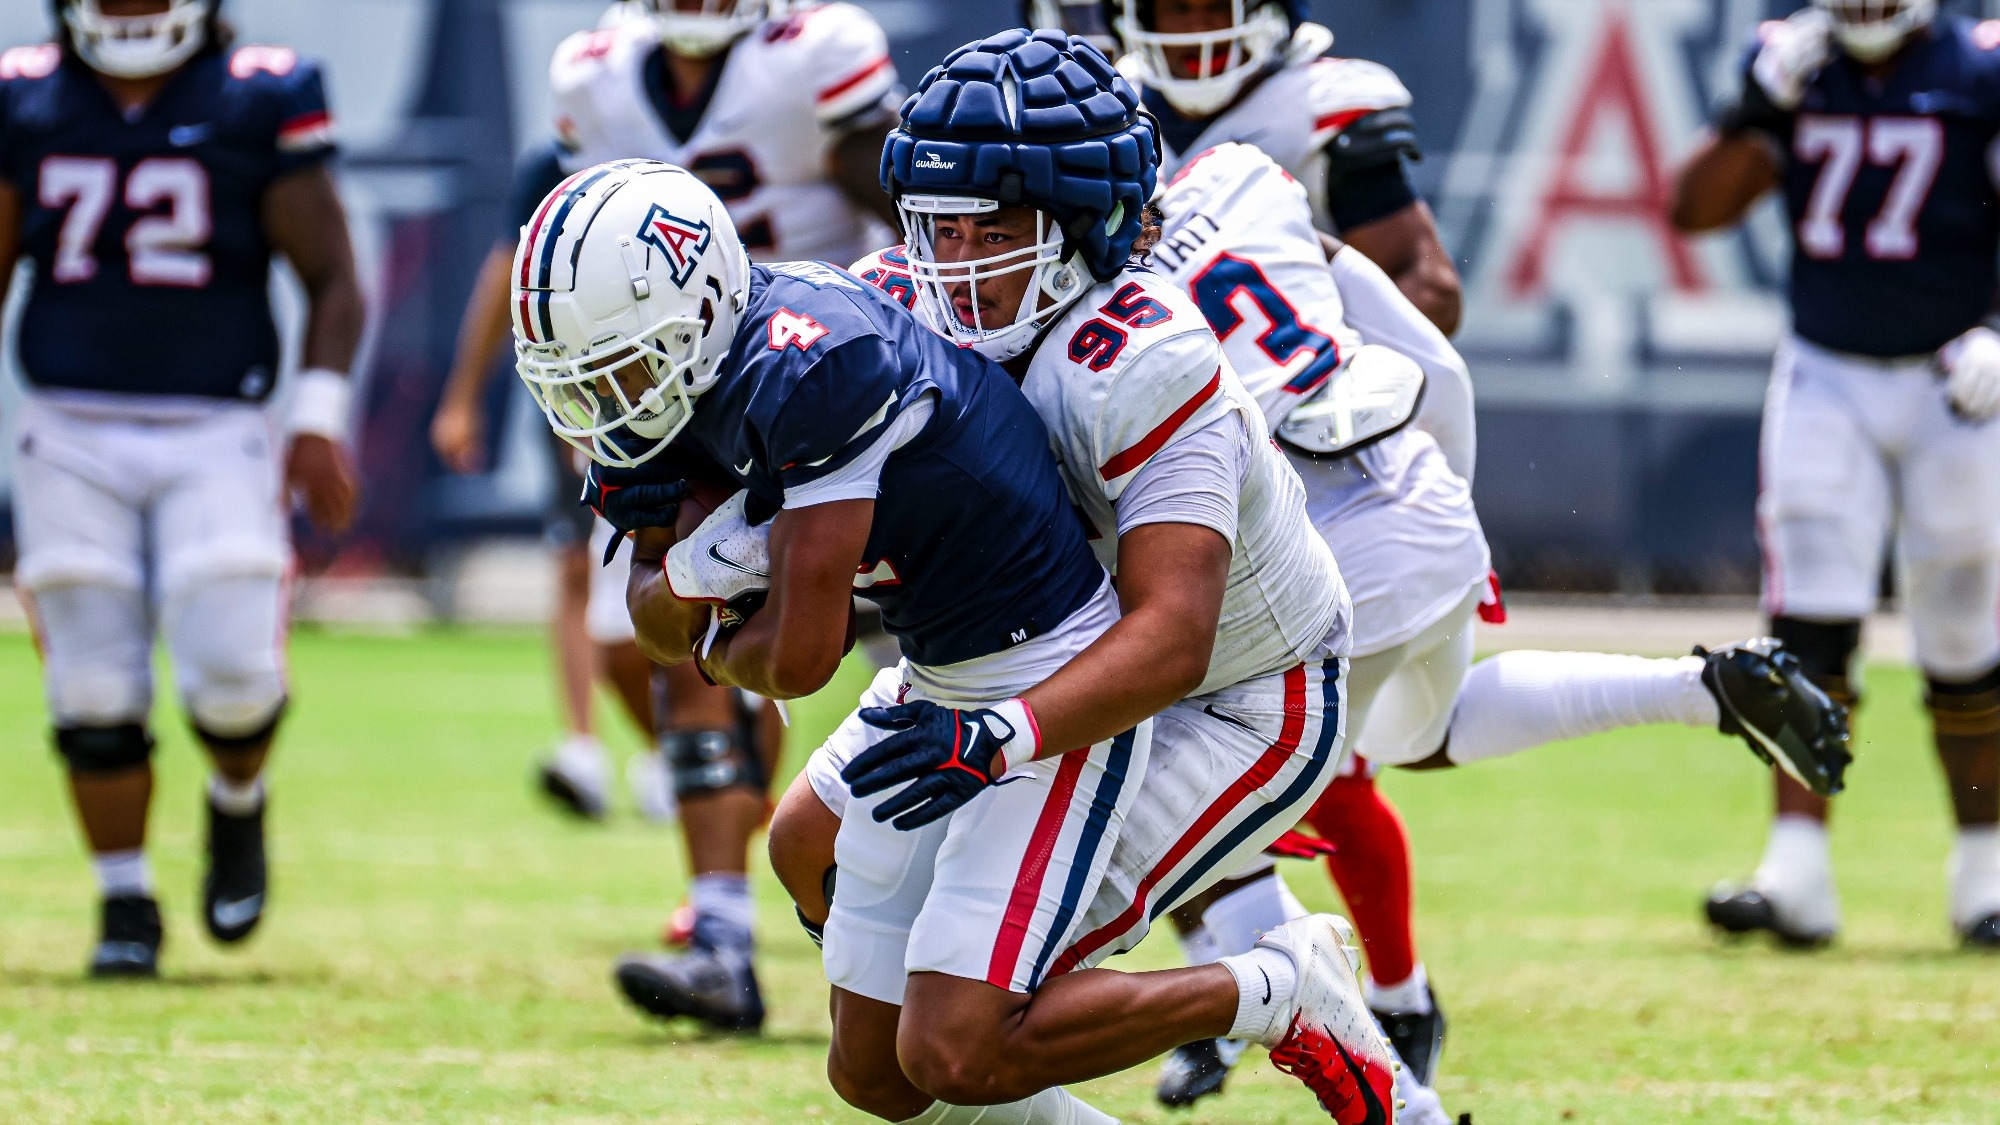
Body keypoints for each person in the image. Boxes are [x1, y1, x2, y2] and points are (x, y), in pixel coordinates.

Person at [1123, 142, 1854, 1108]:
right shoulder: (1245, 178)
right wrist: (1448, 502)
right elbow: (1426, 353)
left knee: (1203, 854)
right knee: (1426, 732)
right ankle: (1697, 686)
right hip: (1419, 493)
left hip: (1321, 551)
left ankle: (1402, 1098)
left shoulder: (1104, 320)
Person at [794, 30, 1406, 1124]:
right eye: (938, 225)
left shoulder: (1141, 355)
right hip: (1012, 654)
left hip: (1230, 692)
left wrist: (999, 738)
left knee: (959, 1022)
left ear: (1090, 226)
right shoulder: (894, 304)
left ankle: (1274, 990)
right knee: (829, 911)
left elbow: (1171, 633)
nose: (959, 261)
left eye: (996, 227)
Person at [0, 0, 364, 976]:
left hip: (217, 421)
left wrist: (316, 419)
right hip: (68, 421)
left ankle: (236, 804)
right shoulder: (25, 95)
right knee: (89, 681)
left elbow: (331, 274)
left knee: (236, 673)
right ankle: (124, 901)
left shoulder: (259, 94)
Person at [1671, 0, 2000, 949]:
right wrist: (1752, 108)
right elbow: (1695, 207)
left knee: (1965, 623)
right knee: (1807, 626)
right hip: (1825, 370)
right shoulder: (1791, 61)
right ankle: (1796, 872)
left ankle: (1983, 873)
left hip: (1955, 374)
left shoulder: (1977, 67)